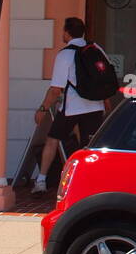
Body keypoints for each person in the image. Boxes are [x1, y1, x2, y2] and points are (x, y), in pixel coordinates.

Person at [31, 17, 109, 194]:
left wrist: (43, 109)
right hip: (95, 106)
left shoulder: (65, 54)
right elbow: (105, 77)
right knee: (90, 147)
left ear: (67, 32)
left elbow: (55, 90)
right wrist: (105, 101)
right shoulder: (96, 49)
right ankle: (91, 184)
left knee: (52, 140)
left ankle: (41, 181)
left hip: (72, 107)